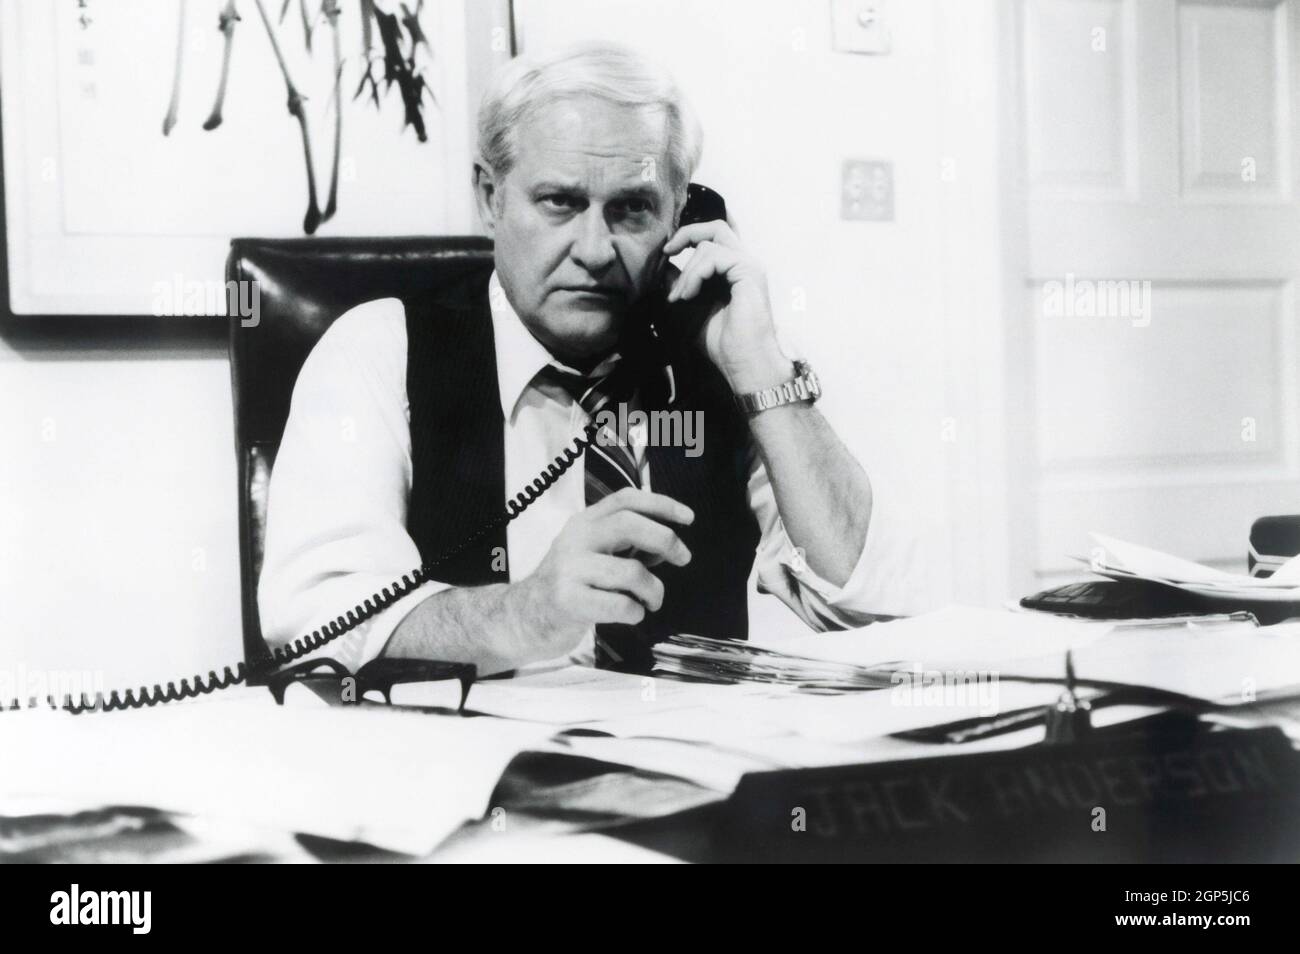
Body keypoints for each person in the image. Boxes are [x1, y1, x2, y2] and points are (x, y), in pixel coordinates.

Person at [259, 42, 907, 676]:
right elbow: (317, 619)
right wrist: (525, 612)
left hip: (689, 742)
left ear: (681, 216)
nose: (595, 250)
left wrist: (761, 372)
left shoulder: (732, 361)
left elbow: (872, 610)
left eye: (632, 208)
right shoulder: (380, 350)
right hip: (466, 741)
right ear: (490, 197)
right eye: (560, 203)